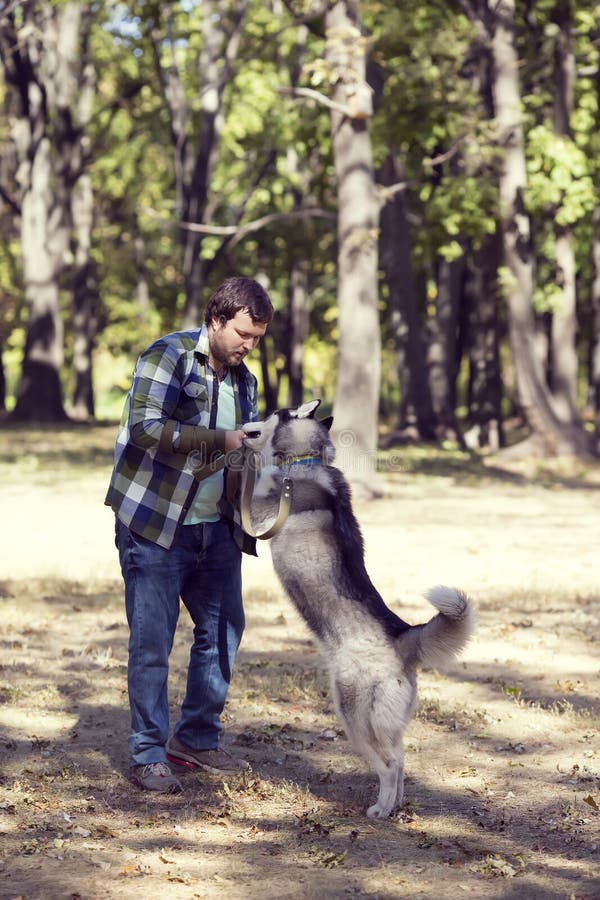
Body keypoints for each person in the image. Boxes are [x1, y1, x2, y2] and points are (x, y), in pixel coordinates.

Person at [105, 276, 274, 793]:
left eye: (258, 338)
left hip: (215, 529)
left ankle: (197, 739)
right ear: (217, 319)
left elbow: (239, 451)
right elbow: (145, 428)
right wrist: (221, 439)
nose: (249, 346)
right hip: (155, 525)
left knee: (223, 631)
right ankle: (147, 753)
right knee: (152, 642)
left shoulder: (245, 381)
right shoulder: (170, 356)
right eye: (243, 334)